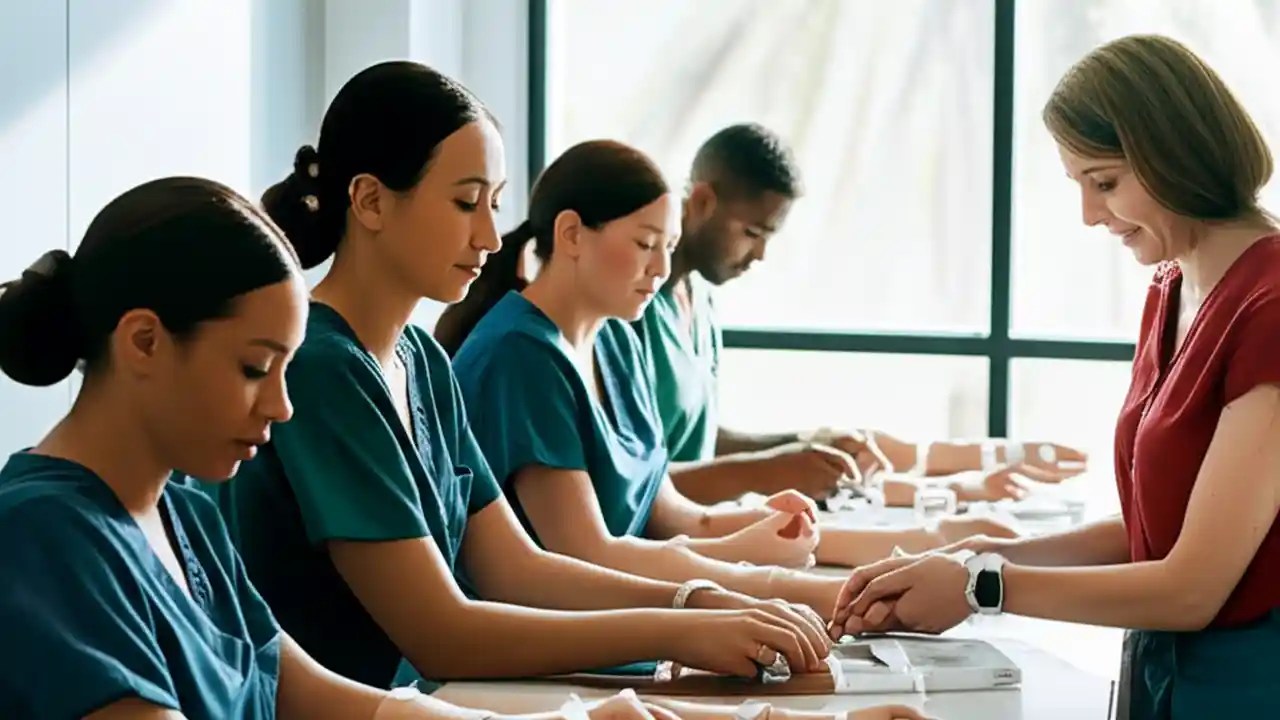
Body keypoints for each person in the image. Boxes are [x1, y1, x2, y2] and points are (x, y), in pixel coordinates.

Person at [212, 61, 836, 697]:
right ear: (370, 200)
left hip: (445, 697)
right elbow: (441, 632)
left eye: (495, 202)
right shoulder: (325, 369)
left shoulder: (422, 362)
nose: (488, 234)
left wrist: (697, 601)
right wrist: (679, 628)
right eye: (464, 202)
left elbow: (516, 568)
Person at [0, 176, 681, 720]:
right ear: (144, 342)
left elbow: (312, 696)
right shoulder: (42, 534)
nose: (282, 406)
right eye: (253, 369)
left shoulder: (185, 514)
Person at [829, 35, 1280, 719]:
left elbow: (1194, 587)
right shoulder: (1172, 286)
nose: (1090, 215)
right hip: (1162, 672)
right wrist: (974, 554)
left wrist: (983, 585)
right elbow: (1151, 532)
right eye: (1080, 186)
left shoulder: (1269, 306)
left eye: (1104, 183)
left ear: (1176, 153)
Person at [439, 136, 1018, 640]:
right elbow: (587, 552)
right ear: (571, 234)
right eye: (644, 245)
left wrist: (761, 525)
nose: (660, 270)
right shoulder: (522, 357)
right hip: (564, 635)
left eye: (667, 248)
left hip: (638, 613)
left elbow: (668, 514)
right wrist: (773, 577)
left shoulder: (613, 337)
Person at [607, 122, 1091, 507]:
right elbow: (633, 479)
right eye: (753, 232)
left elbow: (698, 439)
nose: (758, 257)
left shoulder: (699, 301)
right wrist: (771, 470)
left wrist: (807, 445)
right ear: (702, 202)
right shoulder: (630, 313)